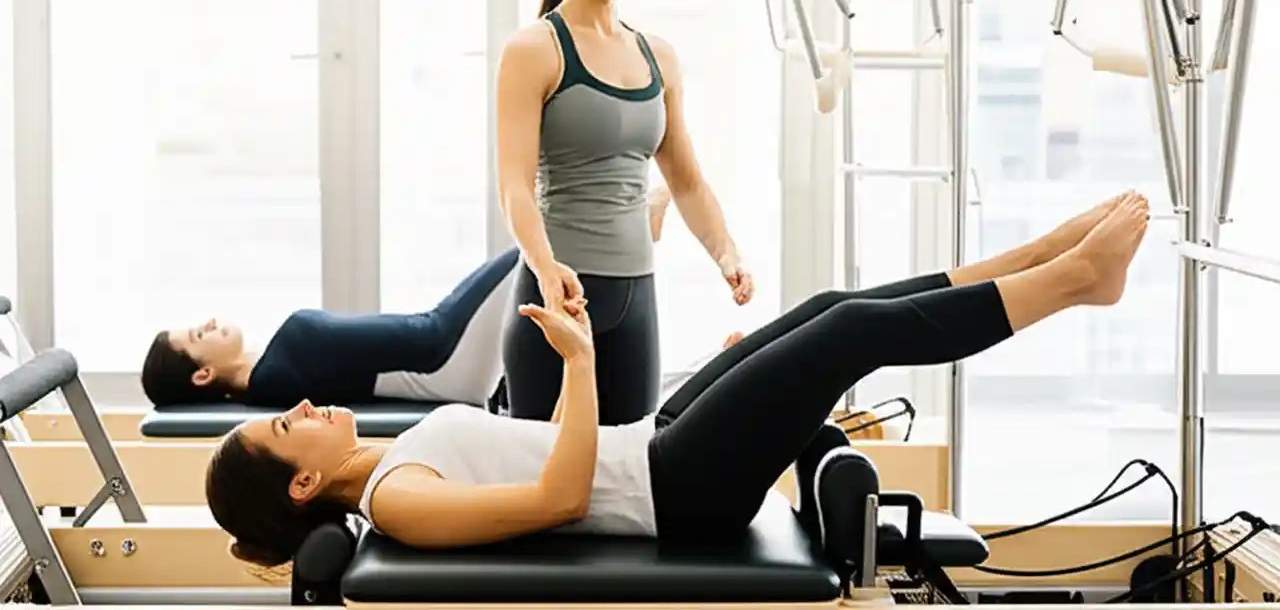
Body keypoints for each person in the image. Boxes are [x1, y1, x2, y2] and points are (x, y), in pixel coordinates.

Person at [204, 191, 1150, 566]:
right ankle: (1076, 281)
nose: (303, 406)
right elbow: (560, 496)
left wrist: (577, 368)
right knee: (851, 334)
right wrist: (581, 366)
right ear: (302, 481)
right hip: (678, 488)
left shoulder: (394, 463)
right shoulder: (400, 500)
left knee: (826, 309)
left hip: (655, 449)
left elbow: (551, 459)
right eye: (287, 426)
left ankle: (1036, 256)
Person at [495, 0, 754, 426]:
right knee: (543, 469)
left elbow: (686, 180)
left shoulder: (658, 55)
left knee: (632, 462)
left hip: (638, 297)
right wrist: (545, 269)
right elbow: (514, 186)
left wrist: (726, 253)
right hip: (560, 296)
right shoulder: (534, 50)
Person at [141, 187, 682, 410]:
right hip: (443, 355)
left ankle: (631, 230)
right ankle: (636, 221)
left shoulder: (271, 371)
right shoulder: (271, 381)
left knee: (543, 250)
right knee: (539, 244)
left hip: (440, 343)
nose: (207, 322)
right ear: (202, 375)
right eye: (196, 336)